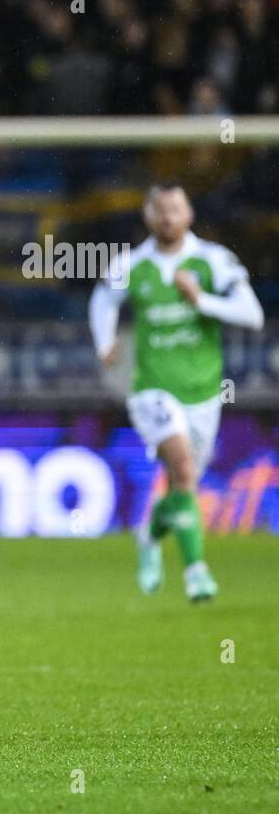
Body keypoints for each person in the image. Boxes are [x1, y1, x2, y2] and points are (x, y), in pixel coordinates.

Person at [88, 184, 264, 602]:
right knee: (183, 468)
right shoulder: (131, 264)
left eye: (176, 208)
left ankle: (149, 534)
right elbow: (103, 300)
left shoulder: (213, 261)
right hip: (152, 390)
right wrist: (104, 341)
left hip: (203, 392)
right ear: (149, 218)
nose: (168, 217)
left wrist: (201, 299)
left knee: (183, 487)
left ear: (189, 214)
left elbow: (252, 315)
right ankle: (196, 573)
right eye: (160, 210)